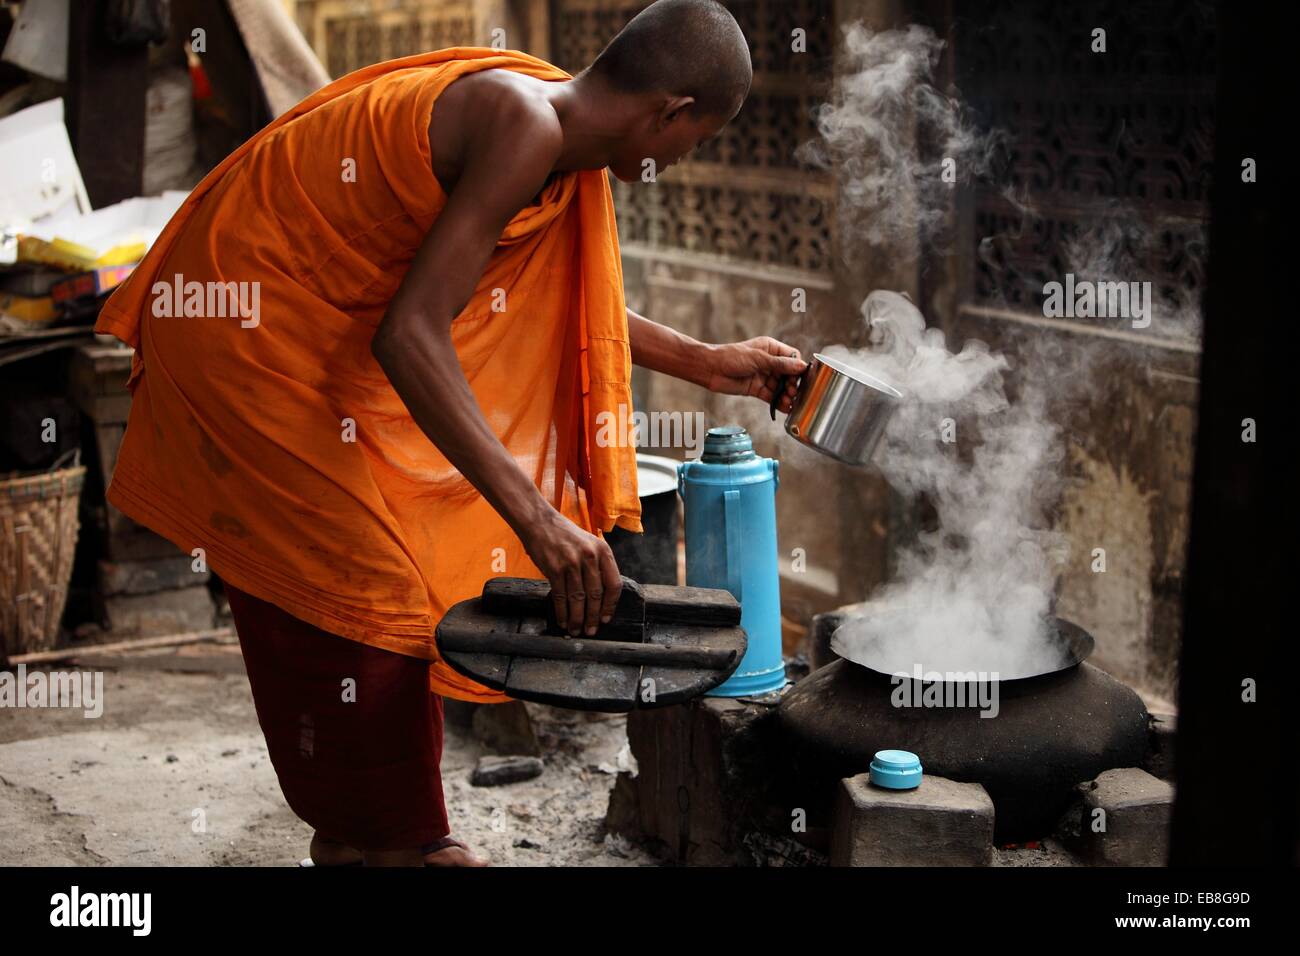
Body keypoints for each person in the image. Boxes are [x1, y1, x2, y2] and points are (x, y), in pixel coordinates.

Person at [95, 0, 805, 866]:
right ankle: (392, 841)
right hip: (245, 333)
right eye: (699, 139)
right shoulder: (524, 122)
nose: (684, 160)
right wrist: (538, 521)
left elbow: (546, 295)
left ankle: (376, 838)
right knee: (367, 588)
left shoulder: (551, 120)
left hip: (312, 330)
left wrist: (705, 361)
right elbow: (410, 334)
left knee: (398, 582)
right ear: (670, 112)